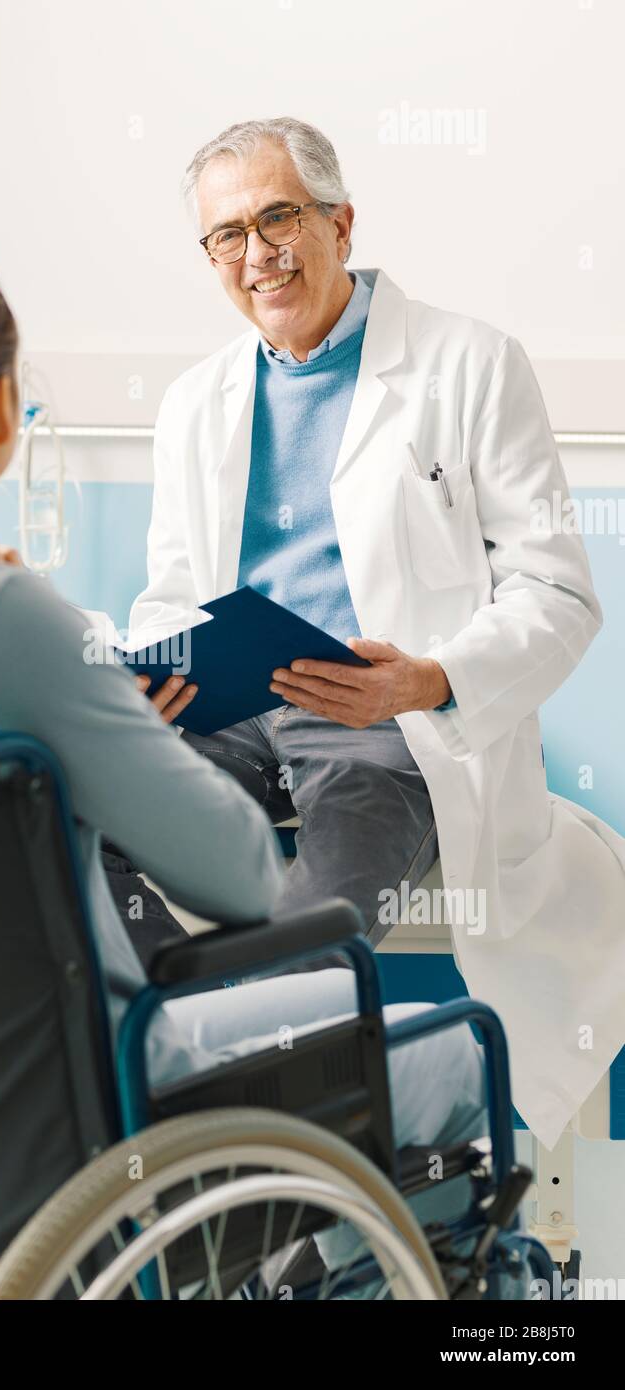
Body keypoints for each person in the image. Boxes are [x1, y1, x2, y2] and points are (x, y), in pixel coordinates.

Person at [0, 243, 492, 1290]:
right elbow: (243, 874)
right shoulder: (6, 616)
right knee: (451, 1047)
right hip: (94, 1095)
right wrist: (92, 683)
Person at [116, 116, 625, 1151]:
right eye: (227, 236)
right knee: (72, 819)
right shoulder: (193, 403)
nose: (257, 255)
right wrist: (153, 674)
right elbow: (170, 594)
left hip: (382, 727)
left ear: (341, 223)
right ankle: (175, 1055)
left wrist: (433, 679)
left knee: (317, 914)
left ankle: (271, 1161)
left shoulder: (473, 364)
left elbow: (560, 594)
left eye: (279, 218)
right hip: (231, 717)